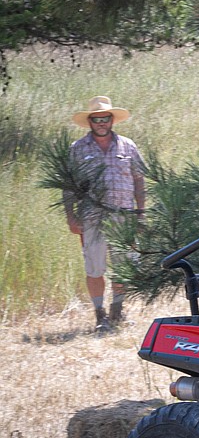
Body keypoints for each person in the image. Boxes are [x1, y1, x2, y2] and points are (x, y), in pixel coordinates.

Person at [65, 96, 146, 333]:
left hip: (124, 216)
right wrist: (71, 216)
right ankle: (100, 316)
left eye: (105, 118)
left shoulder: (128, 146)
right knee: (95, 267)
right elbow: (69, 186)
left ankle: (117, 312)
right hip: (92, 216)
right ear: (90, 122)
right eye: (96, 119)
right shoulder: (78, 149)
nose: (101, 122)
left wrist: (140, 214)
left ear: (112, 120)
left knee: (123, 267)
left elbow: (139, 181)